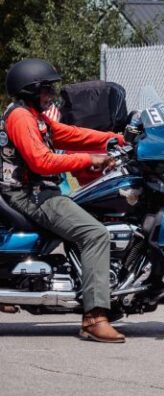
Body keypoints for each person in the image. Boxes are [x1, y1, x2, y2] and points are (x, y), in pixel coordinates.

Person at [1, 59, 124, 343]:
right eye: (46, 88)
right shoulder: (21, 117)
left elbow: (70, 134)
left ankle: (100, 289)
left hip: (38, 190)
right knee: (95, 234)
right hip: (30, 194)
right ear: (30, 89)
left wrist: (114, 139)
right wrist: (90, 159)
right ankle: (94, 317)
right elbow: (41, 161)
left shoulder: (36, 117)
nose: (51, 94)